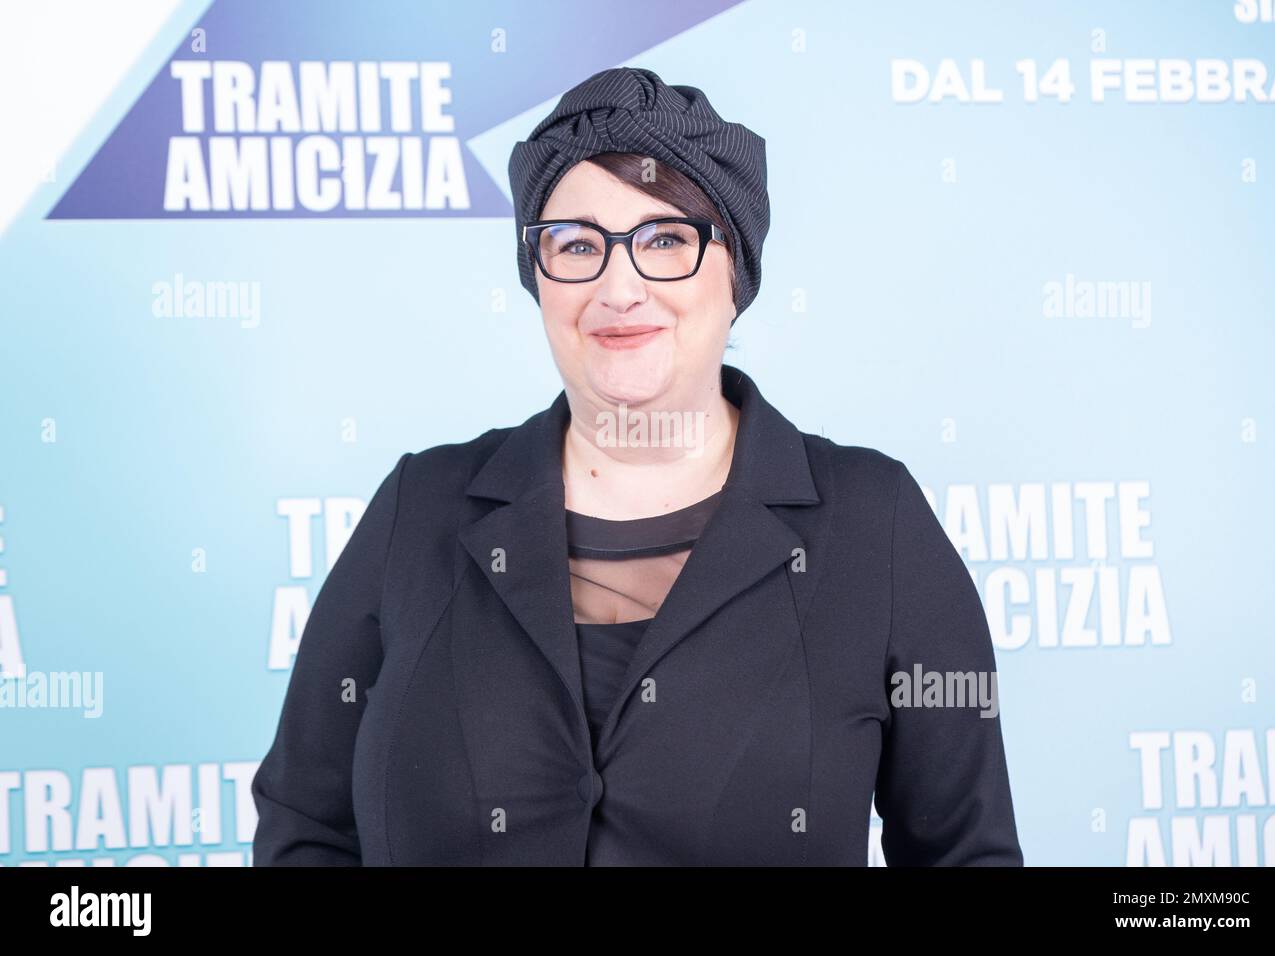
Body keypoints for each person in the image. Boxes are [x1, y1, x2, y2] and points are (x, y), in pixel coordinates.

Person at [251, 66, 1024, 866]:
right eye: (577, 244)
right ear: (538, 278)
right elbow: (305, 822)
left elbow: (965, 852)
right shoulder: (420, 508)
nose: (619, 288)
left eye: (664, 240)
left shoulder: (873, 522)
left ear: (736, 274)